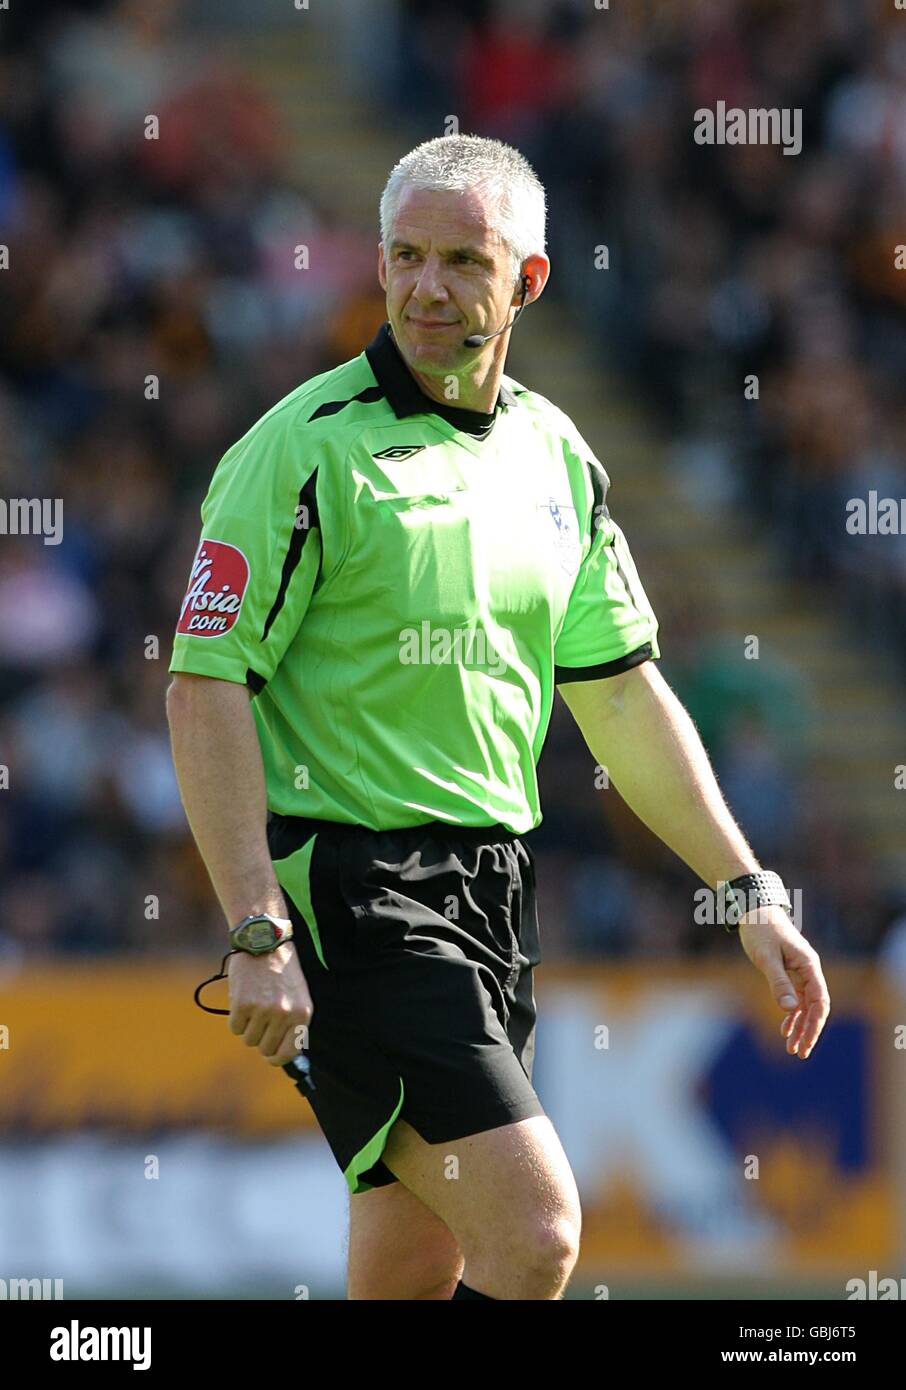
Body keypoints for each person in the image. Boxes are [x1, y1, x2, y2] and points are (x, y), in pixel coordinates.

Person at [166, 134, 830, 1301]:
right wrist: (256, 927)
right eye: (406, 256)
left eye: (463, 260)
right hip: (356, 895)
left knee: (418, 1262)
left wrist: (748, 889)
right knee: (535, 1234)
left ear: (526, 278)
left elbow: (620, 691)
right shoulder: (299, 451)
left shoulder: (555, 456)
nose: (427, 286)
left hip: (492, 890)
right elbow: (205, 680)